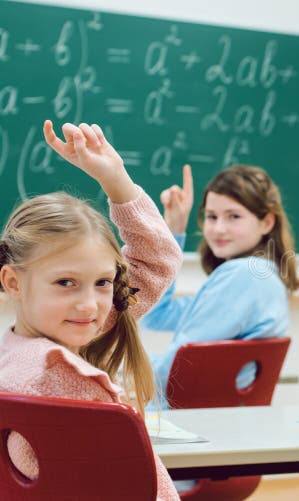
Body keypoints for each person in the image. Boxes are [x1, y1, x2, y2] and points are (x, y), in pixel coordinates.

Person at [0, 120, 182, 500]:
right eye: (65, 282)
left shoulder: (21, 354)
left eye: (103, 283)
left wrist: (115, 179)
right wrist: (119, 186)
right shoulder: (59, 370)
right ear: (13, 282)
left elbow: (154, 264)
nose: (89, 304)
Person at [142, 164, 299, 409]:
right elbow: (156, 316)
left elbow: (177, 368)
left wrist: (125, 372)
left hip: (188, 423)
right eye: (211, 216)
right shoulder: (260, 276)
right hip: (211, 418)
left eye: (234, 216)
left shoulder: (243, 277)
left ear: (266, 222)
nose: (218, 228)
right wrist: (173, 231)